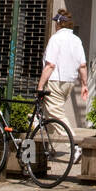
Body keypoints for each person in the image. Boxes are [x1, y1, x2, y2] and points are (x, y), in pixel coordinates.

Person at [38, 9, 88, 156]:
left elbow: (50, 65)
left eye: (56, 22)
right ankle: (47, 147)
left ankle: (74, 146)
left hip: (55, 80)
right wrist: (84, 84)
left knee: (55, 113)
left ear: (59, 23)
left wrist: (40, 85)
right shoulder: (76, 40)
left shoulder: (56, 39)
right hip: (69, 82)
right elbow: (82, 65)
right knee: (47, 113)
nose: (55, 25)